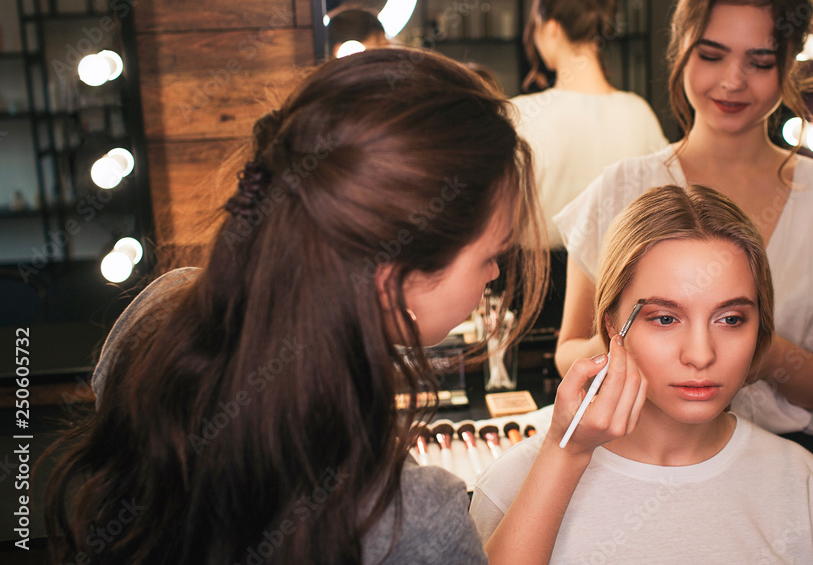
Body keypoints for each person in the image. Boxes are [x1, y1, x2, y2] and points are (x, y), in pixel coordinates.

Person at [43, 48, 547, 565]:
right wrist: (565, 455)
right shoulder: (408, 517)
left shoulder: (156, 319)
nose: (493, 275)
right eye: (490, 256)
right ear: (394, 276)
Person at [552, 0, 813, 559]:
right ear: (681, 49)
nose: (733, 81)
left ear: (790, 62)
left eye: (761, 61)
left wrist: (762, 356)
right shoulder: (623, 188)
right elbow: (571, 347)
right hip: (639, 467)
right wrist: (663, 346)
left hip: (791, 478)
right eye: (712, 54)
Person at [471, 184, 813, 564]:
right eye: (664, 318)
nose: (700, 354)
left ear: (760, 326)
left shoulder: (804, 487)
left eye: (730, 318)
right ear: (612, 325)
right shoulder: (513, 485)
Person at [513, 0, 668, 248]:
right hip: (621, 276)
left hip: (537, 282)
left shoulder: (522, 114)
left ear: (551, 29)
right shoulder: (639, 113)